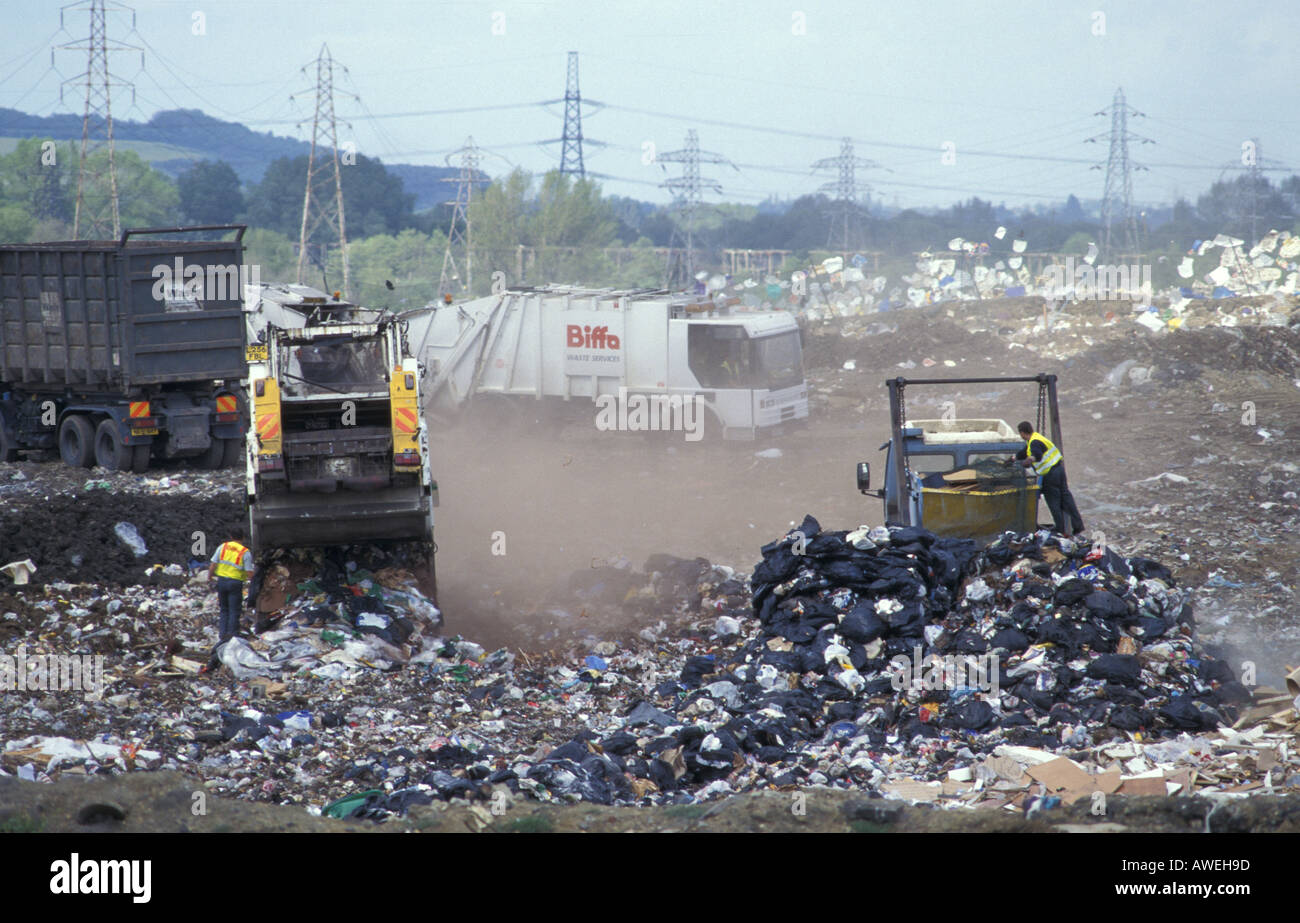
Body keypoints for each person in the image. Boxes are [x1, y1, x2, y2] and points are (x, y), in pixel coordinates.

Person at [1014, 420, 1085, 539]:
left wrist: (1030, 460)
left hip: (1050, 476)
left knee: (1054, 503)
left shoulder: (1034, 442)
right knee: (1066, 499)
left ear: (1022, 432)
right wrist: (1013, 458)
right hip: (1059, 470)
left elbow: (1037, 454)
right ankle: (1078, 525)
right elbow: (1024, 452)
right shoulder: (1037, 438)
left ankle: (1060, 531)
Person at [205, 537, 255, 668]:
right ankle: (232, 635)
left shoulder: (223, 546)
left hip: (222, 582)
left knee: (224, 609)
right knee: (234, 610)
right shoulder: (245, 552)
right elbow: (250, 572)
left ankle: (222, 635)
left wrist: (209, 577)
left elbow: (213, 563)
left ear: (231, 537)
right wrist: (252, 581)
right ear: (242, 538)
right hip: (235, 583)